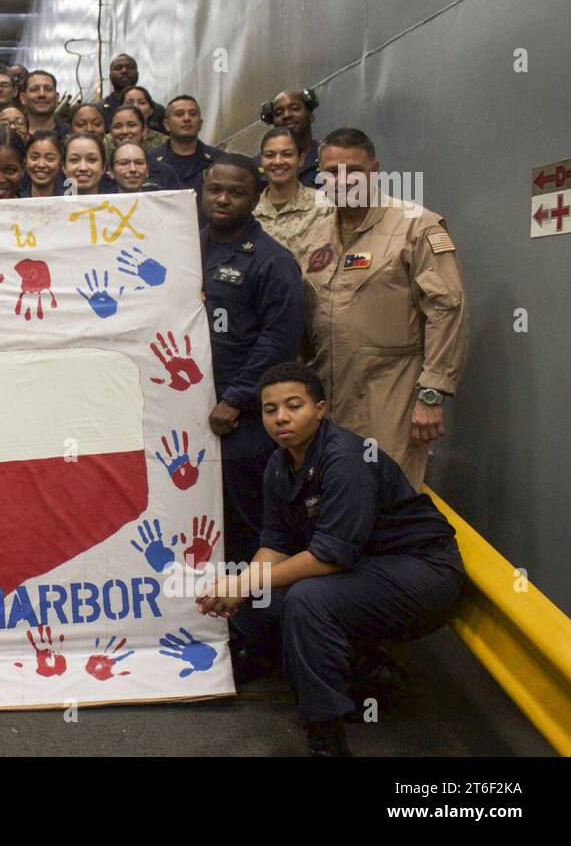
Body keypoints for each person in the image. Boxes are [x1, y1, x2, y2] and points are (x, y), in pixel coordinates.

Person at [201, 361, 465, 757]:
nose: (281, 418)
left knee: (308, 599)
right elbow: (275, 542)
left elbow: (330, 557)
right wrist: (240, 587)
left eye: (294, 406)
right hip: (366, 572)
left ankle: (327, 740)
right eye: (271, 410)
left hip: (423, 573)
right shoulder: (279, 462)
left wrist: (244, 582)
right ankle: (371, 677)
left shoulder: (346, 459)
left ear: (320, 409)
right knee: (260, 597)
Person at [298, 128, 468, 487]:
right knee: (335, 493)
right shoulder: (313, 236)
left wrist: (431, 393)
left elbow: (446, 309)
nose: (342, 181)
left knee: (390, 491)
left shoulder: (416, 226)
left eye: (353, 171)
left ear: (375, 170)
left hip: (391, 390)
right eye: (331, 172)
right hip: (326, 390)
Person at [200, 155, 304, 562]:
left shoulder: (272, 260)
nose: (223, 199)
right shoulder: (186, 247)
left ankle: (253, 616)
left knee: (244, 522)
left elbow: (280, 340)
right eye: (215, 189)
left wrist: (237, 398)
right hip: (188, 407)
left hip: (240, 418)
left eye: (236, 192)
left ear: (256, 196)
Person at [254, 126, 333, 265]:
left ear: (301, 159)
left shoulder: (324, 205)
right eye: (270, 155)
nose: (278, 161)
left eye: (287, 154)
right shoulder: (250, 212)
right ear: (261, 160)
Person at [149, 94, 225, 214]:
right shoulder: (151, 162)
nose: (186, 118)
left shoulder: (220, 161)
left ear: (200, 124)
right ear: (166, 125)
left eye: (192, 114)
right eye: (179, 114)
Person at [264, 89, 321, 187]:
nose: (286, 115)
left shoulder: (327, 155)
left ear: (310, 115)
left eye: (295, 108)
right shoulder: (261, 164)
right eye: (279, 113)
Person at [20, 70, 69, 136]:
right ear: (23, 98)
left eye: (48, 89)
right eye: (34, 89)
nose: (42, 94)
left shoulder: (71, 135)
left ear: (57, 98)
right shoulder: (11, 135)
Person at [100, 53, 139, 128]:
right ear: (110, 77)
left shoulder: (156, 110)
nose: (124, 71)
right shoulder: (98, 109)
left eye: (130, 67)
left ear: (137, 75)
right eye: (118, 68)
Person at [25, 130, 67, 198]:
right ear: (25, 160)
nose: (41, 165)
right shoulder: (15, 197)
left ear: (61, 163)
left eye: (50, 159)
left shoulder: (70, 199)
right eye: (34, 158)